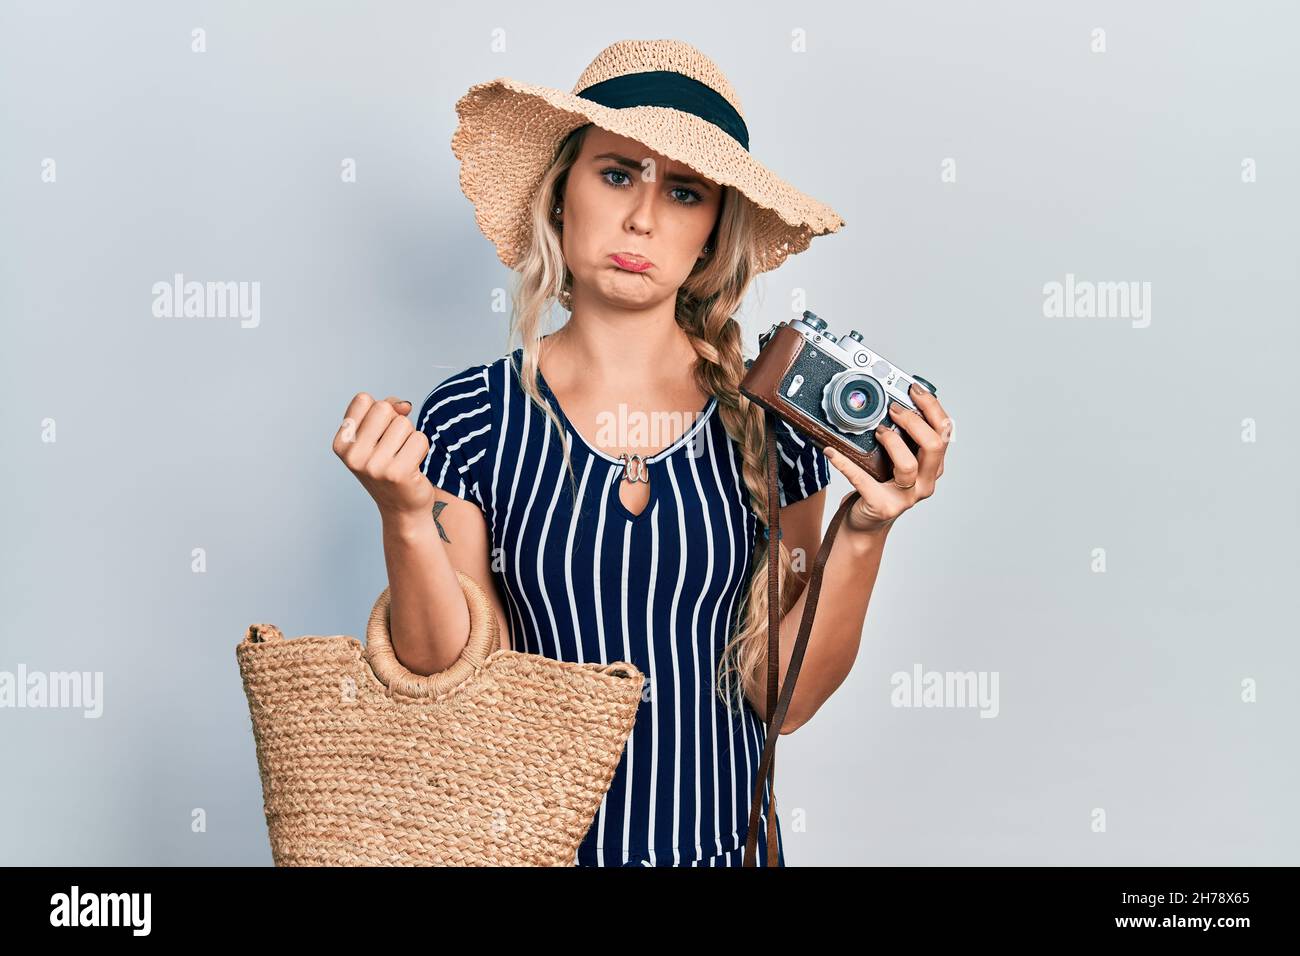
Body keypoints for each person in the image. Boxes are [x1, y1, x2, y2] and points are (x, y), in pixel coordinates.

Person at [333, 39, 953, 866]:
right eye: (618, 173)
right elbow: (450, 680)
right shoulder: (472, 417)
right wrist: (405, 520)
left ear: (710, 233)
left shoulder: (776, 432)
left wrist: (866, 532)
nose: (644, 217)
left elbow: (783, 698)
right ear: (561, 195)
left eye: (684, 191)